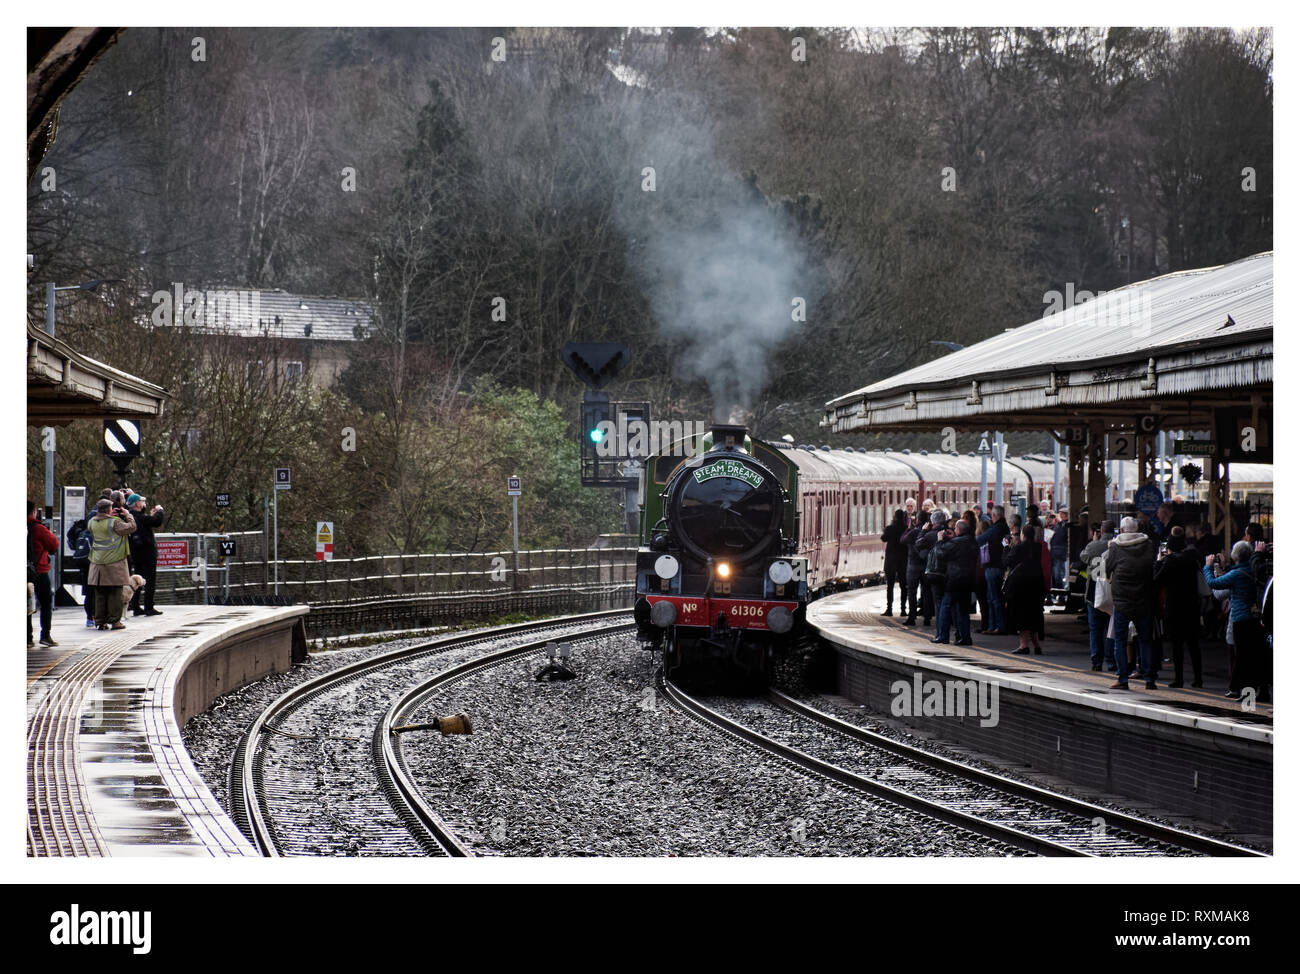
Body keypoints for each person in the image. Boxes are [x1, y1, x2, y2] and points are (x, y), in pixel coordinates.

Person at [1205, 541, 1267, 701]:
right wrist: (1224, 566)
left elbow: (1213, 583)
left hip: (1240, 618)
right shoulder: (1248, 570)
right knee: (1251, 656)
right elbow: (1232, 571)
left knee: (1242, 657)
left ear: (1236, 555)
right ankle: (1252, 691)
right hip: (1253, 618)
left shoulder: (1237, 574)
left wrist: (1207, 567)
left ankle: (1245, 693)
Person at [1104, 516, 1158, 690]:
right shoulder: (1148, 545)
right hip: (1144, 599)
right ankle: (1150, 679)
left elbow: (1107, 568)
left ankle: (1122, 678)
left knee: (1120, 640)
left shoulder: (1116, 547)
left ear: (1121, 530)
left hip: (1122, 601)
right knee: (1145, 640)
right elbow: (1153, 566)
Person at [1153, 526, 1203, 688]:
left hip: (1175, 607)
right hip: (1192, 606)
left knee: (1177, 645)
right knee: (1194, 644)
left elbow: (1157, 581)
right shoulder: (1193, 559)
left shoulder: (1170, 562)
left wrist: (1159, 562)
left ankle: (1179, 679)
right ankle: (1198, 678)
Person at [87, 497, 136, 630]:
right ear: (109, 509)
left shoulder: (91, 522)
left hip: (97, 562)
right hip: (114, 562)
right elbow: (131, 527)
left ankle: (100, 622)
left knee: (100, 594)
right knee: (115, 593)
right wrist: (128, 515)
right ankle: (115, 621)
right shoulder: (114, 522)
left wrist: (109, 516)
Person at [931, 519, 978, 645]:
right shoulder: (973, 542)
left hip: (955, 579)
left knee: (945, 607)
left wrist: (940, 540)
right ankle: (966, 637)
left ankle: (943, 636)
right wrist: (952, 538)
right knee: (963, 610)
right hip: (968, 580)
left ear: (958, 530)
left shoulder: (956, 543)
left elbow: (940, 553)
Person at [1079, 520, 1117, 671]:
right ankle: (1111, 661)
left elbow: (1083, 557)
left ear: (1100, 531)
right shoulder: (1117, 547)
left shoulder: (1092, 546)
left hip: (1094, 591)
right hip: (1112, 590)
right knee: (1111, 627)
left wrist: (1094, 541)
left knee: (1095, 628)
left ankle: (1096, 661)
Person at [1004, 524, 1046, 654]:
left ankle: (1023, 645)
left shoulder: (1019, 548)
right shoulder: (1038, 547)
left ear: (1023, 534)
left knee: (1021, 615)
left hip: (1020, 585)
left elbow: (1007, 562)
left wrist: (1007, 547)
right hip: (1036, 583)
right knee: (1033, 614)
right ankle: (1036, 645)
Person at [27, 501, 60, 648]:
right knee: (46, 602)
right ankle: (45, 635)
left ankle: (27, 637)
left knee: (25, 603)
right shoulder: (38, 528)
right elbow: (54, 544)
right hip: (38, 570)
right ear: (33, 512)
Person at [126, 492, 165, 616]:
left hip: (136, 554)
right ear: (137, 504)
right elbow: (156, 521)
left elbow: (146, 519)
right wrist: (160, 511)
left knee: (137, 580)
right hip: (147, 553)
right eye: (142, 501)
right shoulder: (141, 517)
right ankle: (149, 606)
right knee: (149, 580)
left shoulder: (130, 516)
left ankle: (136, 606)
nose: (144, 503)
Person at [976, 506, 1010, 634]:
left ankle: (998, 626)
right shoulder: (1004, 527)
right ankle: (993, 626)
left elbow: (980, 539)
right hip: (998, 565)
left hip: (993, 566)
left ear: (995, 516)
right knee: (993, 597)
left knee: (994, 598)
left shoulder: (996, 528)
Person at [916, 511, 947, 630]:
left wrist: (923, 530)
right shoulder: (950, 533)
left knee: (931, 595)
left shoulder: (930, 535)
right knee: (945, 599)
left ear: (933, 522)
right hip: (947, 572)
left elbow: (918, 544)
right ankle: (948, 624)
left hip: (933, 571)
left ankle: (932, 621)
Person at [880, 509, 908, 617]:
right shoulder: (906, 528)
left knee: (890, 585)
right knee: (903, 586)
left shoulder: (889, 528)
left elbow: (883, 538)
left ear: (894, 517)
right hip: (903, 560)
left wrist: (886, 531)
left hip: (891, 560)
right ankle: (903, 610)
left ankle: (889, 609)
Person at [1048, 510, 1069, 603]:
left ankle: (1061, 597)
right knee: (1055, 576)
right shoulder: (1059, 525)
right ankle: (1057, 596)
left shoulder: (1065, 526)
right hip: (1054, 553)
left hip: (1059, 554)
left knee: (1058, 575)